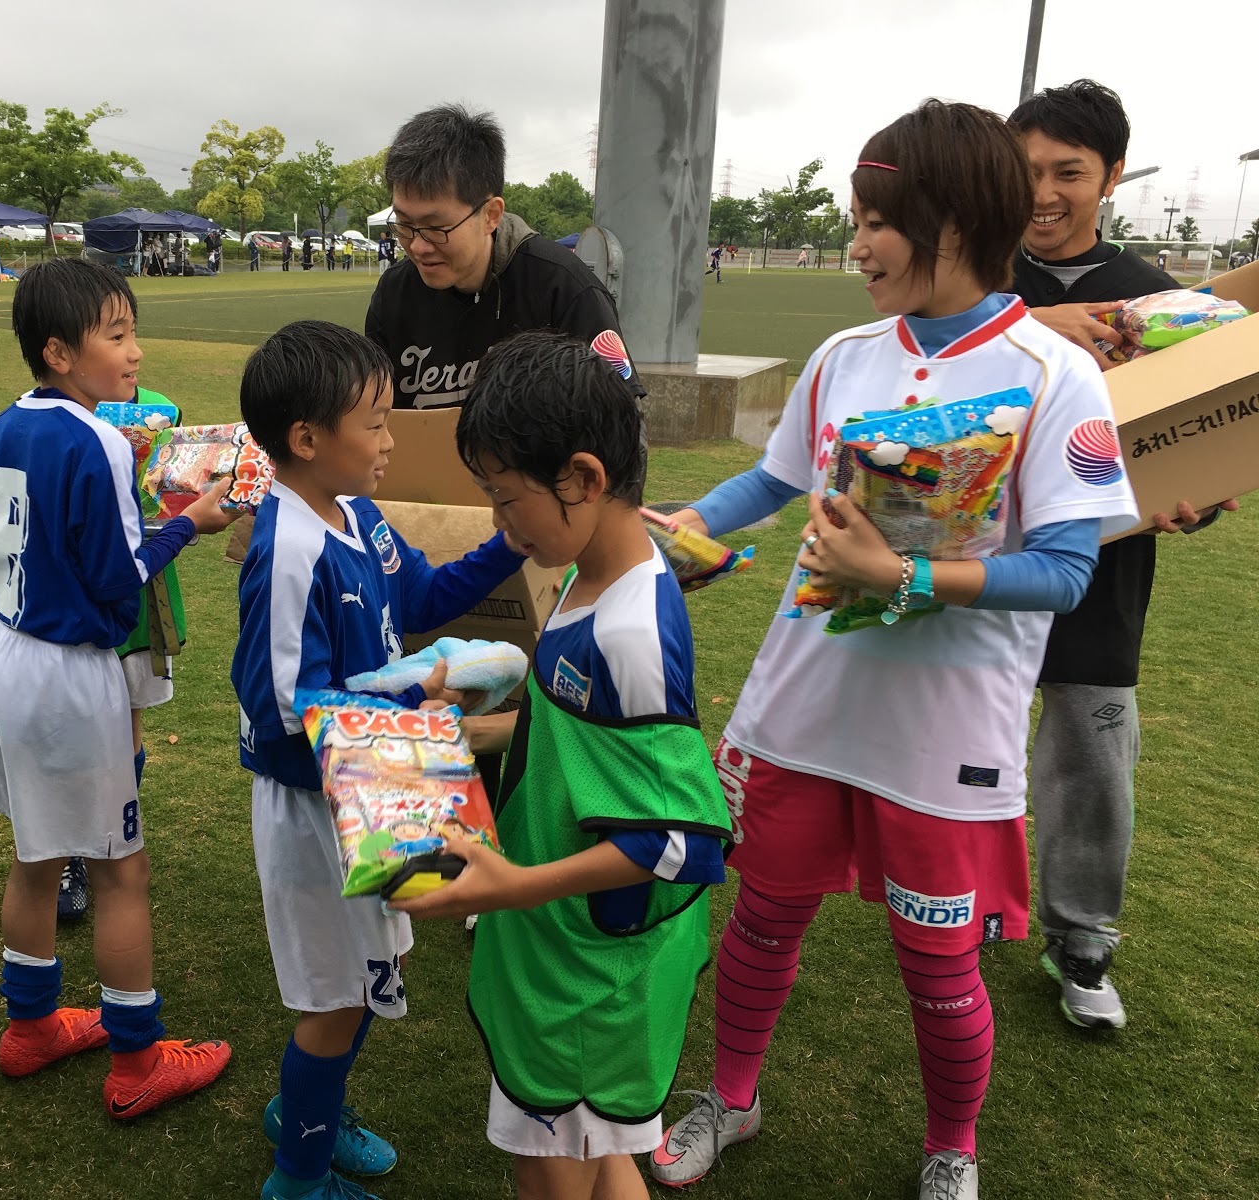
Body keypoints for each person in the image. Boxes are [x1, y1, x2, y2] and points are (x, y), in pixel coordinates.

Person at [649, 100, 1139, 1200]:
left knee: (938, 961)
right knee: (761, 920)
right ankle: (730, 1100)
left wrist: (904, 576)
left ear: (951, 223)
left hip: (945, 732)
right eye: (857, 220)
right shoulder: (842, 356)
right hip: (803, 707)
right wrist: (680, 528)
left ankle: (951, 1148)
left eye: (876, 222)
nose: (858, 245)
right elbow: (771, 482)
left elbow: (1065, 571)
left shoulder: (1051, 373)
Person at [393, 330, 733, 1200]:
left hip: (589, 974)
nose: (499, 524)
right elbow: (569, 738)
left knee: (550, 1166)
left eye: (506, 499)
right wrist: (466, 734)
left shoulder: (629, 633)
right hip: (566, 952)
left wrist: (512, 887)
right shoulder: (595, 568)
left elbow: (677, 842)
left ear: (582, 478)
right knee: (601, 1152)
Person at [230, 318, 526, 1200]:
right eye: (376, 423)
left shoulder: (358, 514)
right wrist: (408, 702)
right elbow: (282, 702)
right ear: (307, 439)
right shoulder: (287, 548)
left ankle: (308, 1112)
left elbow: (422, 597)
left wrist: (509, 546)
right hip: (317, 801)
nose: (391, 440)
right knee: (335, 997)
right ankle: (298, 1176)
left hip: (384, 775)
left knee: (375, 971)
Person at [0, 257, 238, 1118]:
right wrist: (188, 523)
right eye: (116, 335)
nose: (135, 352)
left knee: (37, 854)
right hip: (69, 674)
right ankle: (138, 1060)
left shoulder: (6, 424)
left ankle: (31, 1026)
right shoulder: (99, 439)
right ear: (59, 352)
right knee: (120, 869)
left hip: (4, 652)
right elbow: (118, 582)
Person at [1007, 79, 1236, 1031]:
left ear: (1110, 177)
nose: (1044, 193)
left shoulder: (1161, 301)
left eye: (1069, 172)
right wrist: (1028, 323)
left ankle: (1082, 938)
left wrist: (1196, 505)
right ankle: (955, 905)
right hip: (973, 564)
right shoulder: (970, 281)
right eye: (1027, 171)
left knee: (1093, 759)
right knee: (953, 746)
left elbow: (1203, 441)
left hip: (1101, 576)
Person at [366, 103, 643, 410]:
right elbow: (374, 418)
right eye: (404, 224)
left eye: (436, 228)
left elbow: (621, 421)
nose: (418, 247)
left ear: (491, 215)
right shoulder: (394, 294)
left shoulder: (563, 288)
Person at [57, 384, 189, 922]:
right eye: (114, 342)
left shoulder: (162, 409)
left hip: (142, 592)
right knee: (74, 725)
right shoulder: (55, 414)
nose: (129, 352)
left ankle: (113, 832)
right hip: (77, 597)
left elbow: (175, 492)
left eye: (130, 341)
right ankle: (70, 849)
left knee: (128, 720)